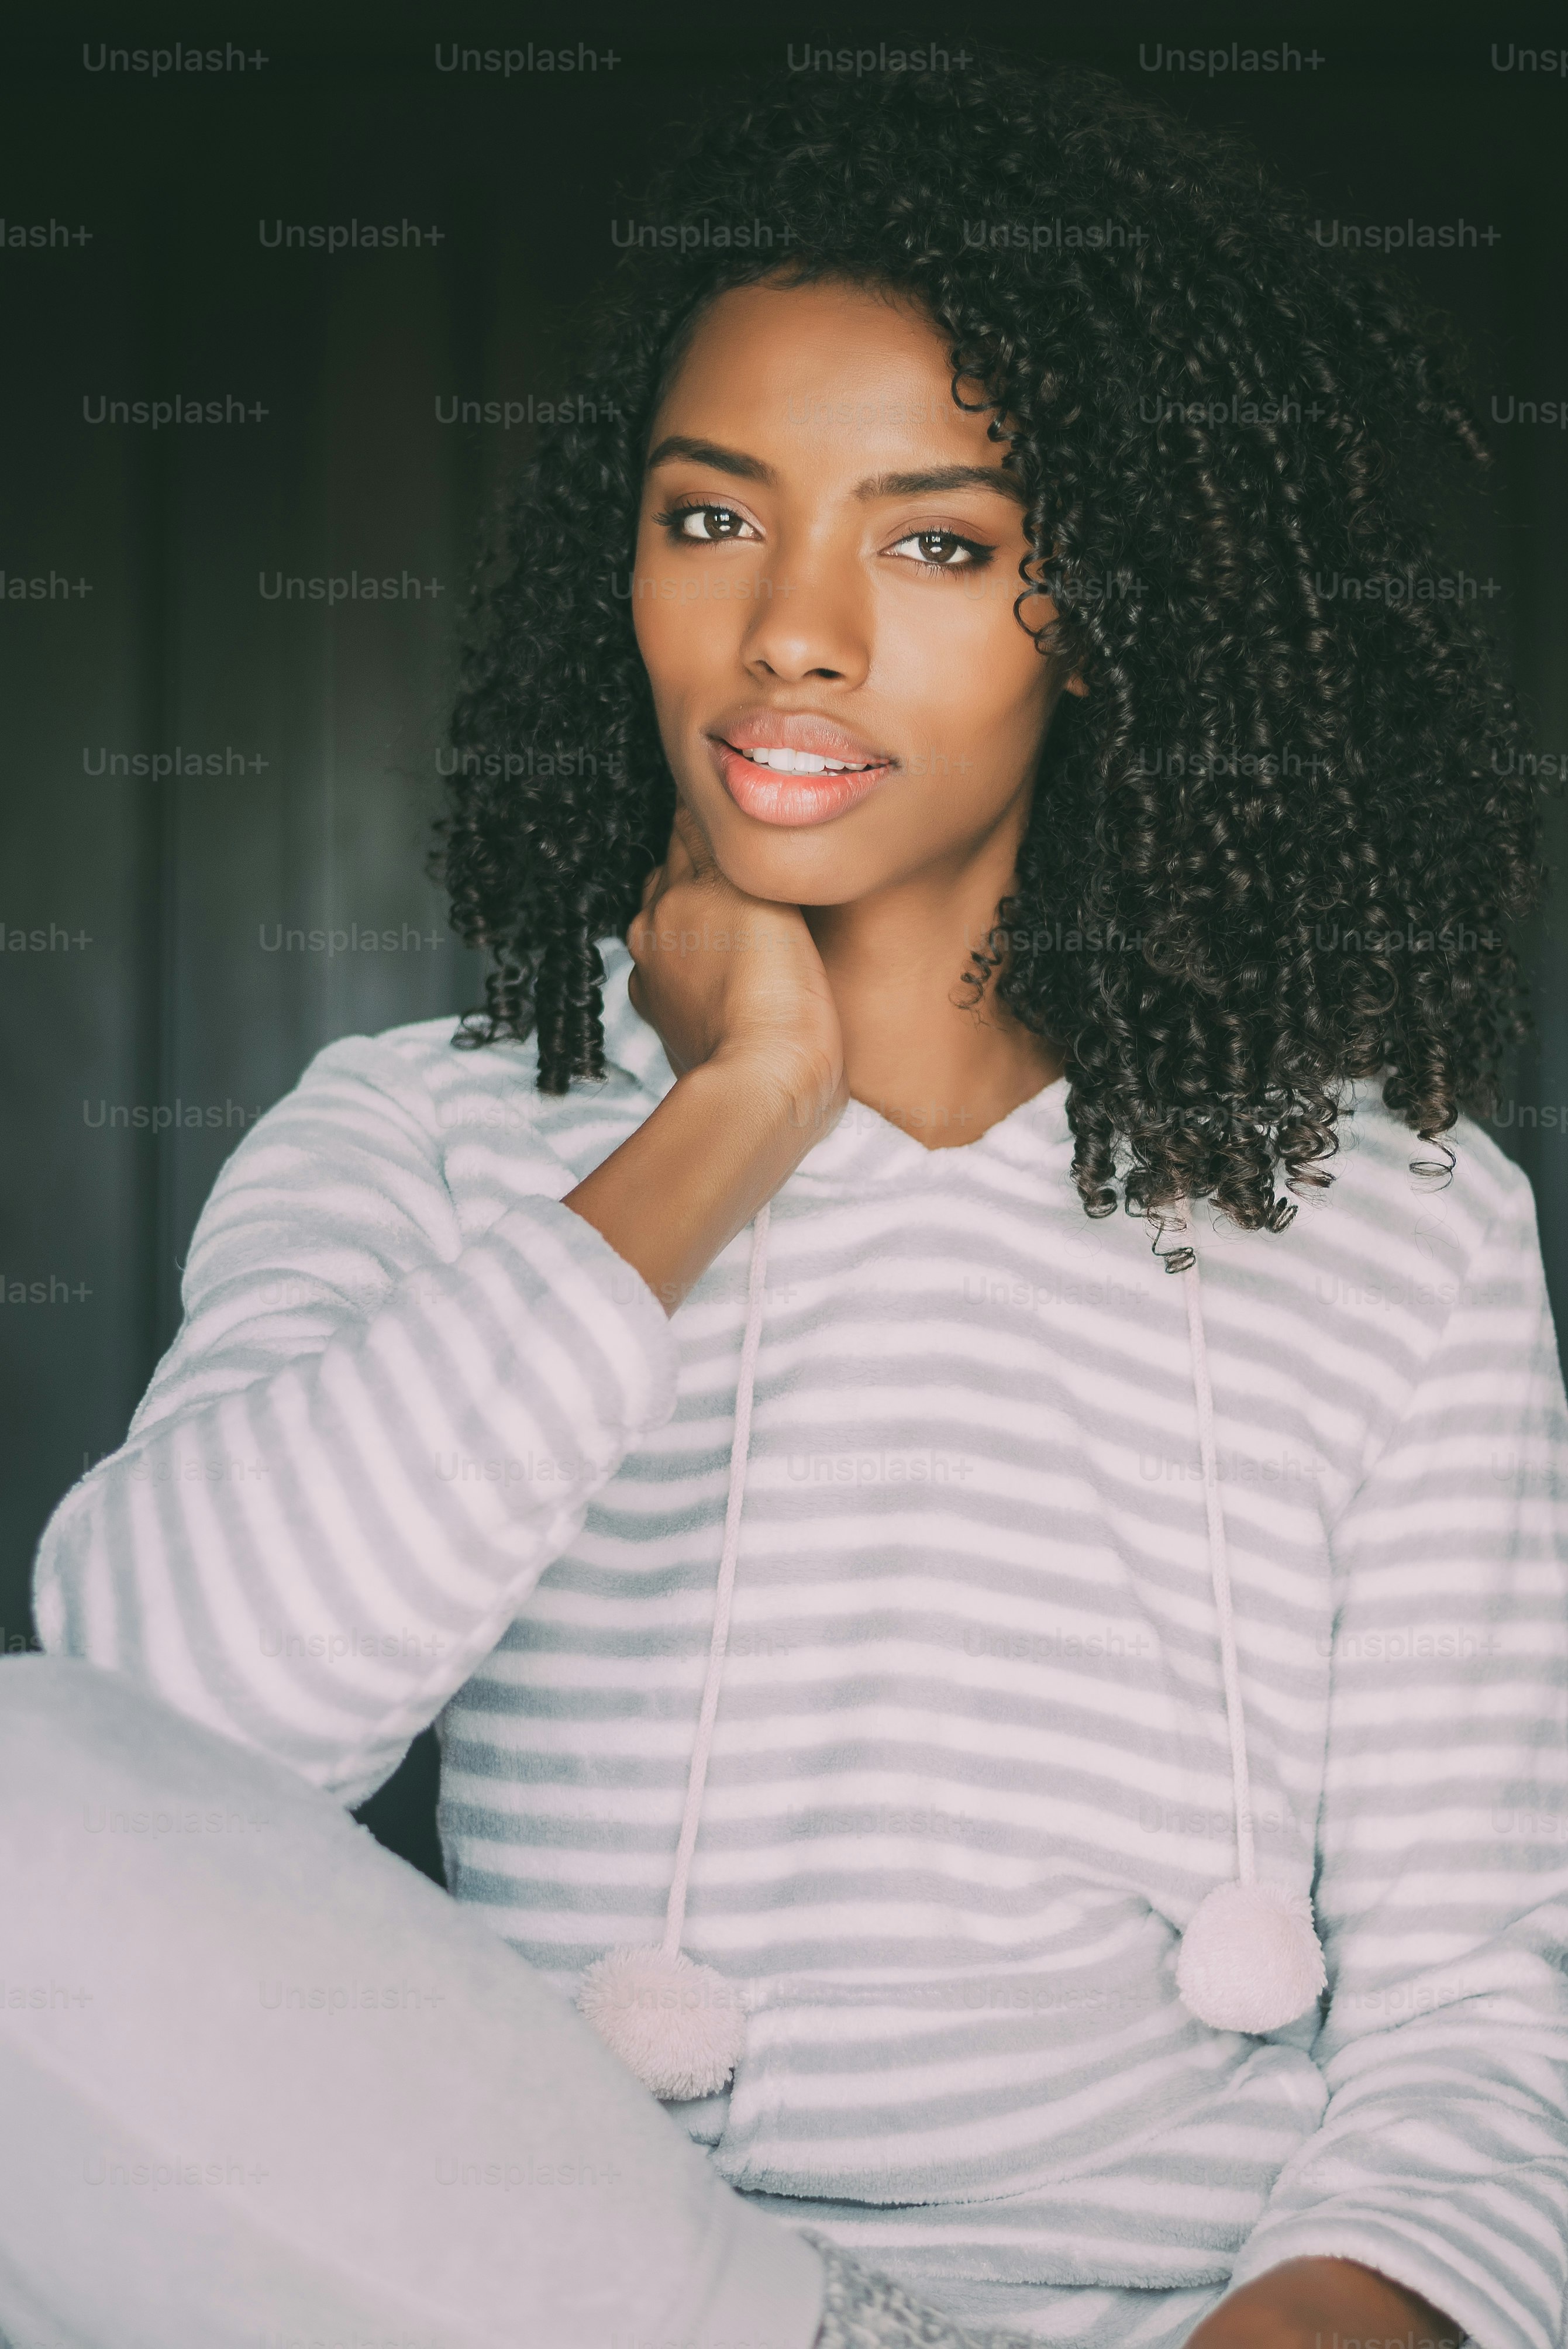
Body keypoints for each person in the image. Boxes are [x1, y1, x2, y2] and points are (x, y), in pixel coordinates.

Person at [6, 49, 1566, 2349]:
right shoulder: (422, 1136)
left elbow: (1477, 2047)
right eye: (710, 515)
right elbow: (151, 1732)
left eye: (934, 539)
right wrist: (727, 1115)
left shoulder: (1401, 1227)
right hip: (605, 2291)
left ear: (1104, 610)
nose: (787, 634)